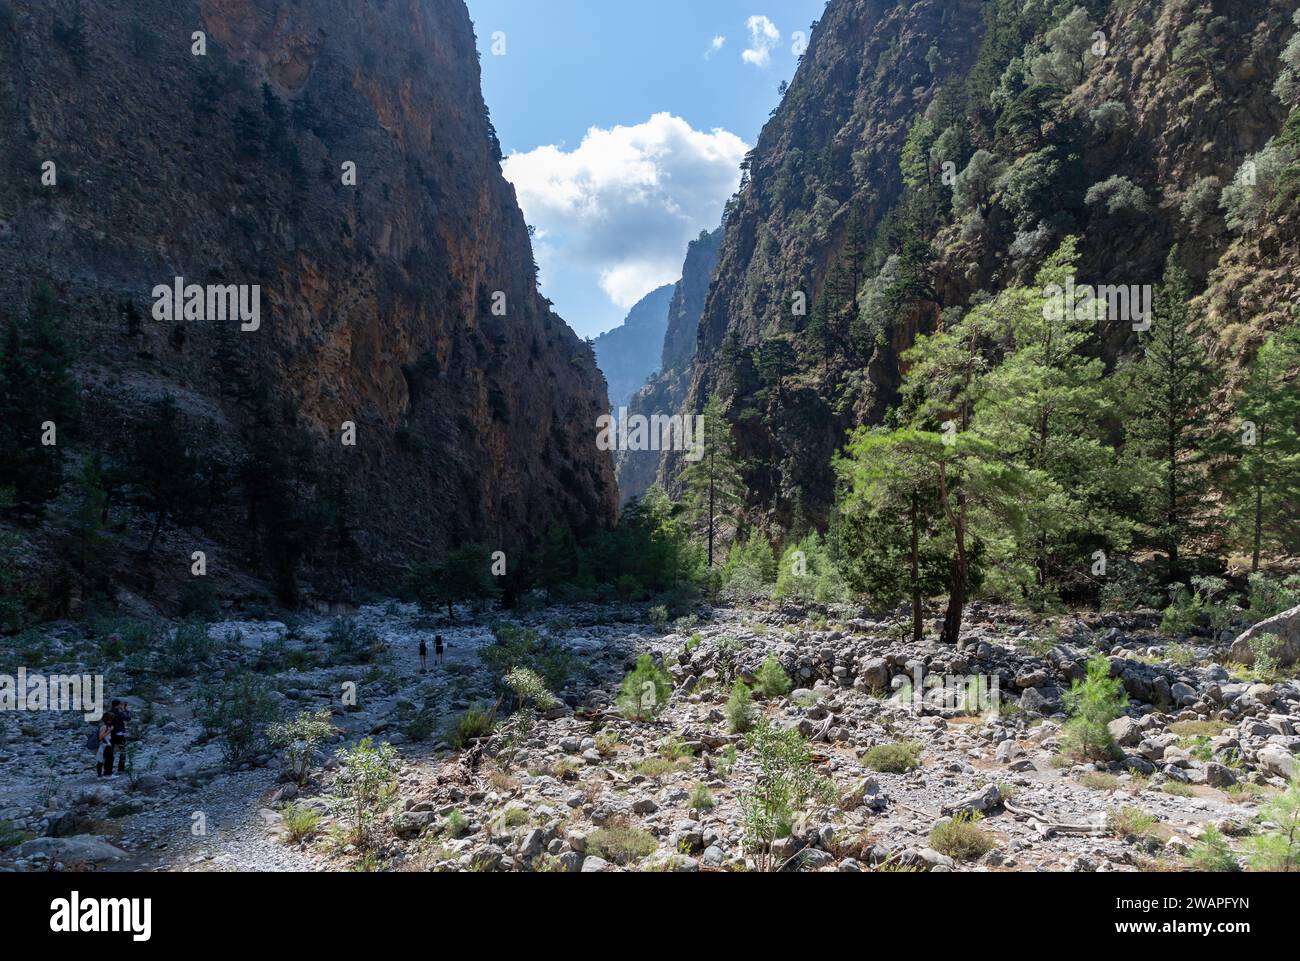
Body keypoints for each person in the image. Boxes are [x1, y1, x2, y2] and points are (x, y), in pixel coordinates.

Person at [109, 699, 129, 775]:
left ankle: (108, 770)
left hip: (110, 734)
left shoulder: (109, 712)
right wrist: (126, 710)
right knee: (123, 751)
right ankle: (121, 769)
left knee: (110, 753)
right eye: (120, 704)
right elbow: (128, 718)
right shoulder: (119, 712)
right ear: (118, 705)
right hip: (119, 734)